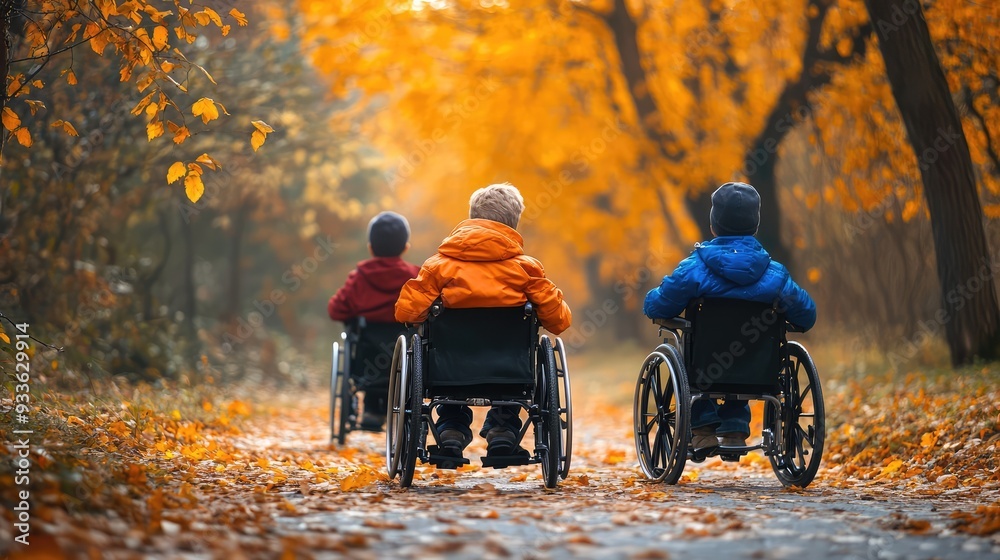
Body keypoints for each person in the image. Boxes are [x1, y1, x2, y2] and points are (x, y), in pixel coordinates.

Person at [395, 183, 572, 458]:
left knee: (440, 355)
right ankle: (504, 428)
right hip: (510, 373)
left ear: (472, 217)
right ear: (513, 224)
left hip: (448, 373)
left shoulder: (438, 266)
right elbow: (559, 321)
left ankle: (451, 427)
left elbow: (406, 313)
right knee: (518, 360)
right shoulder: (527, 269)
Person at [643, 182, 816, 449]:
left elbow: (658, 306)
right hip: (758, 372)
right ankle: (735, 424)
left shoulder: (694, 268)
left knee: (698, 351)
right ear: (755, 225)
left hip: (703, 366)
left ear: (714, 225)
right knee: (750, 348)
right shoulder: (776, 274)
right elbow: (807, 315)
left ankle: (703, 425)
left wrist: (651, 301)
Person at [328, 211, 420, 430]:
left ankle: (372, 411)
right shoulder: (415, 277)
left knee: (367, 348)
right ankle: (384, 411)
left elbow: (335, 310)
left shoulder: (359, 277)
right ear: (406, 247)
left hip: (366, 360)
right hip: (403, 359)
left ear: (370, 247)